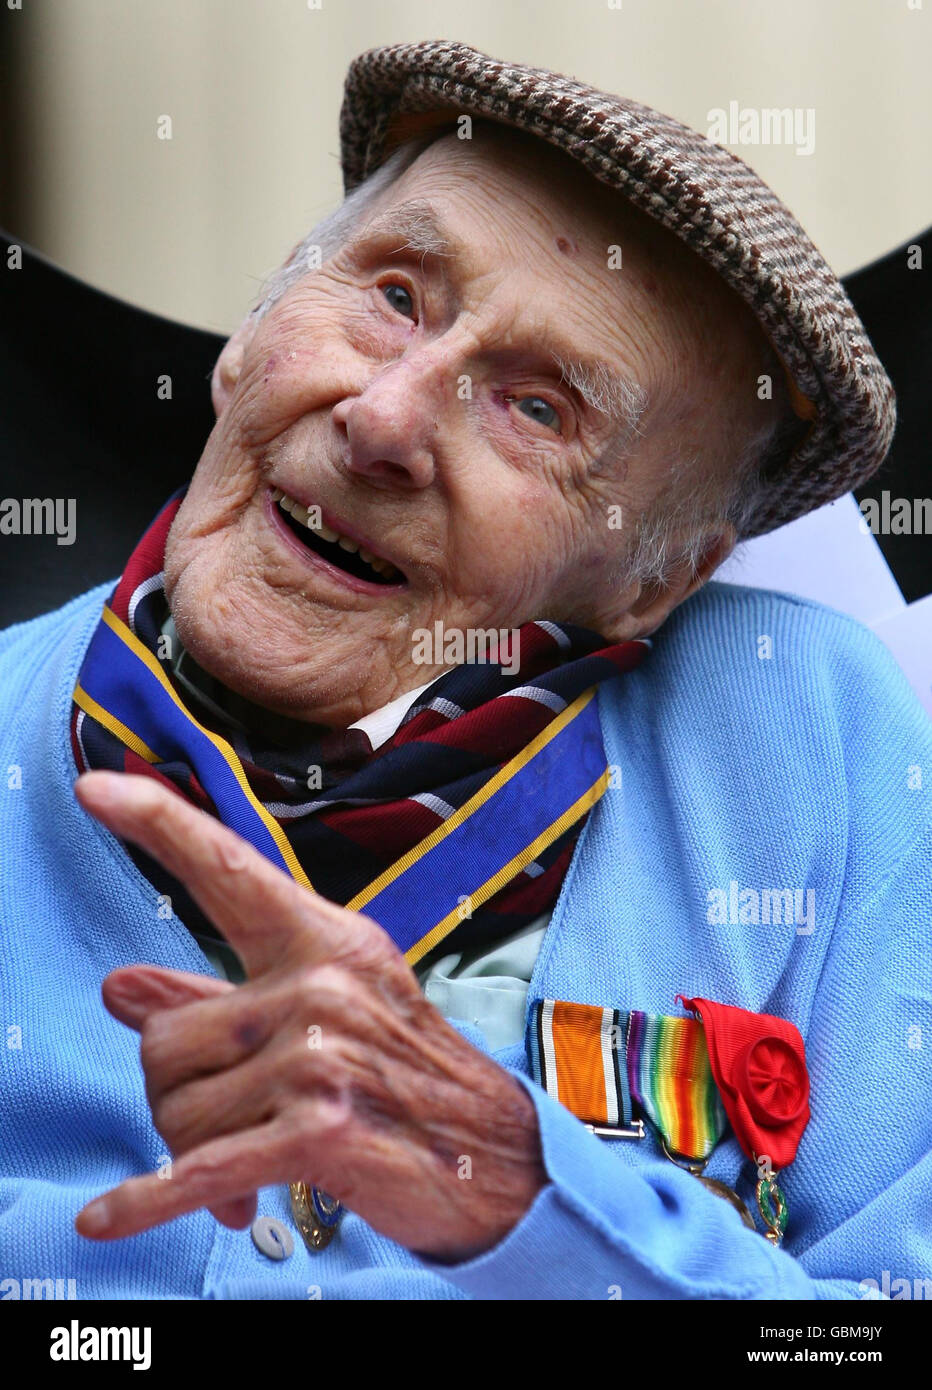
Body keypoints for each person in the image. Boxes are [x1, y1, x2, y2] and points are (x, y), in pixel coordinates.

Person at [1, 40, 928, 1301]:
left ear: (652, 580)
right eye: (393, 294)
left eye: (539, 408)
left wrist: (521, 1192)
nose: (383, 419)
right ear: (257, 321)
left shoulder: (812, 733)